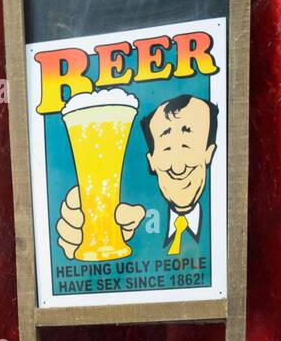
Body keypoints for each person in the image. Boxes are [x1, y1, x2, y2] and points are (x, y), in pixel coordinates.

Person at [56, 94, 218, 260]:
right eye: (167, 149)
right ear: (152, 161)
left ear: (209, 153)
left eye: (186, 146)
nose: (178, 167)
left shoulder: (218, 219)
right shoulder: (146, 217)